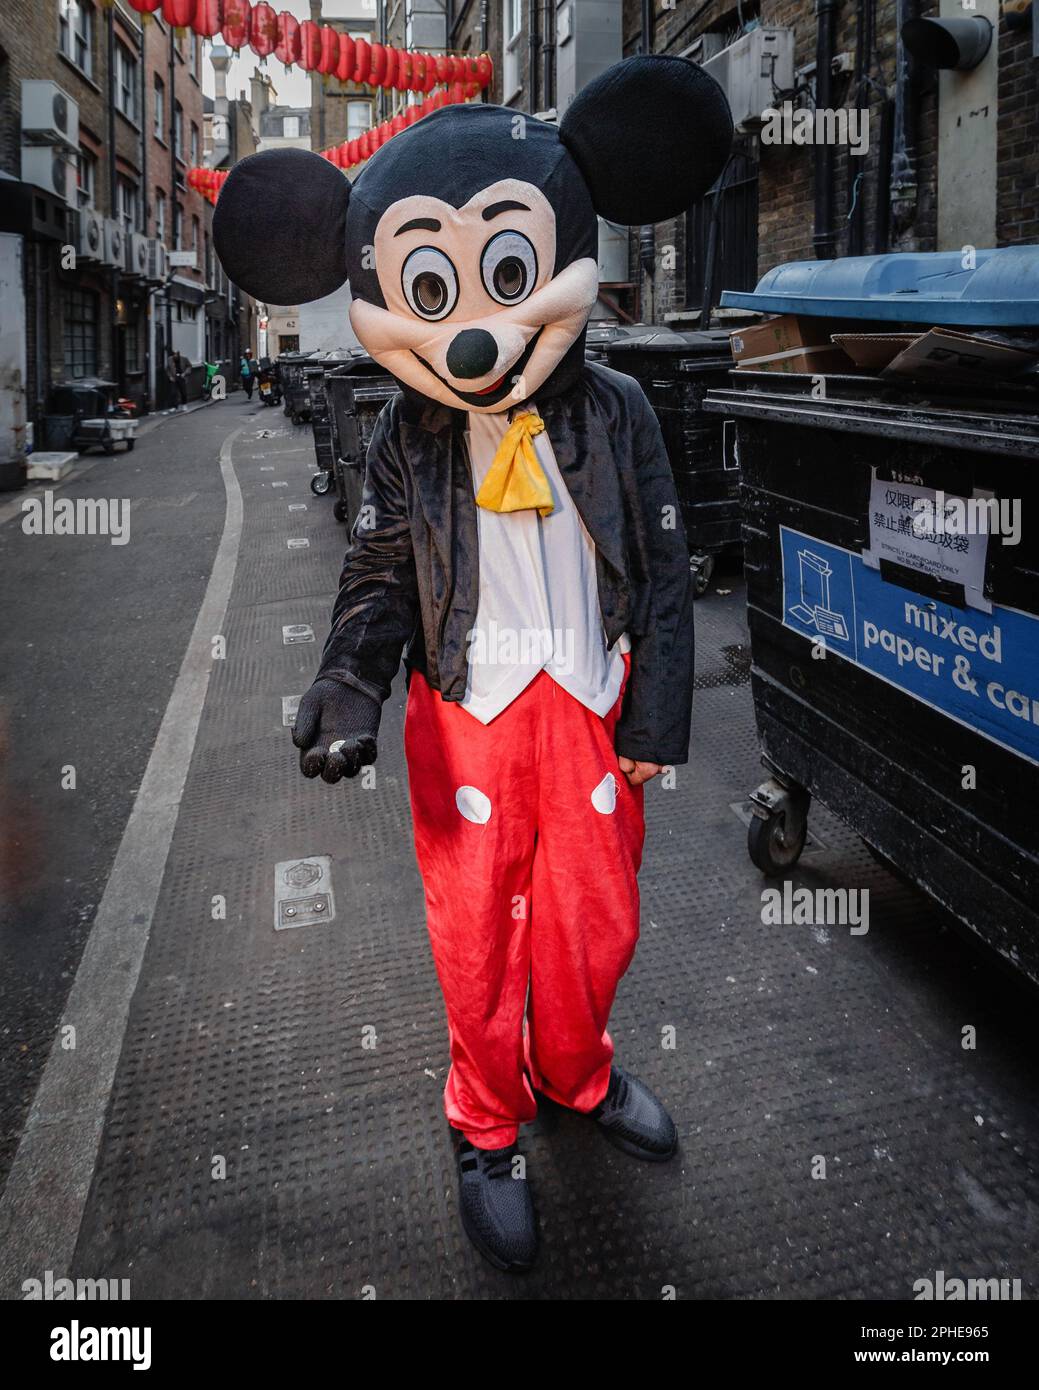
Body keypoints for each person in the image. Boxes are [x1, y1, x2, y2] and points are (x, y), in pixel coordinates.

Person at [214, 55, 732, 1274]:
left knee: (592, 925)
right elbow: (381, 573)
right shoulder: (407, 433)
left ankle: (578, 1073)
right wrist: (349, 681)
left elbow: (663, 572)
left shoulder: (619, 413)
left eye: (504, 275)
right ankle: (486, 1124)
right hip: (468, 720)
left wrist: (655, 719)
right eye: (435, 288)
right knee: (477, 938)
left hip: (590, 713)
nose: (480, 327)